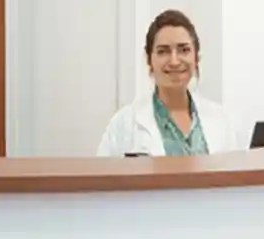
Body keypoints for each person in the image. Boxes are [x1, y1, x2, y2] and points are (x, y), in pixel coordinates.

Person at [97, 9, 242, 157]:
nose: (174, 61)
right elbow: (103, 171)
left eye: (184, 50)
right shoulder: (124, 124)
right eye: (163, 51)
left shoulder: (221, 120)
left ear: (196, 58)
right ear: (149, 60)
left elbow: (236, 170)